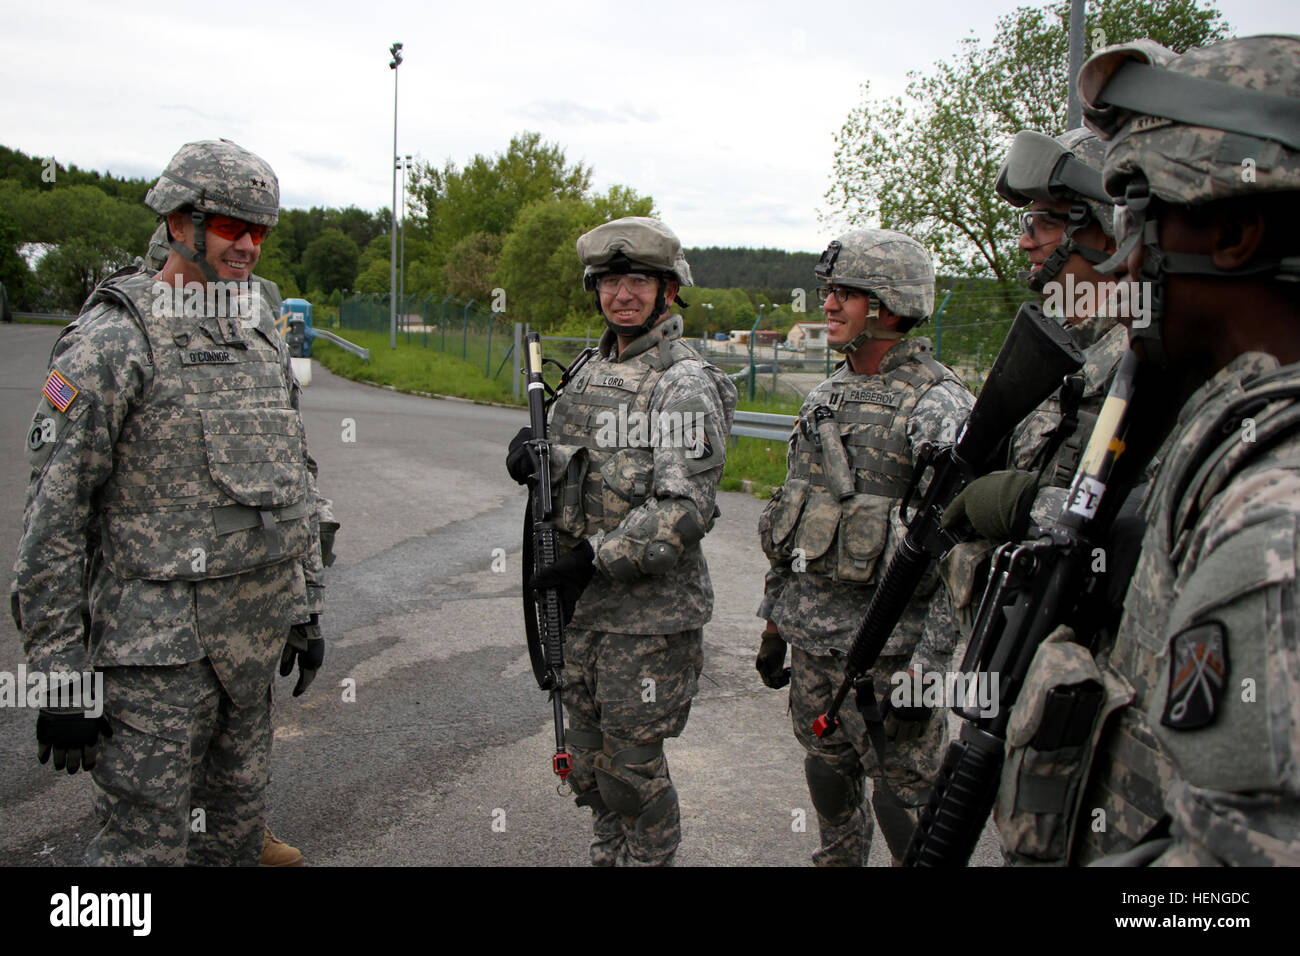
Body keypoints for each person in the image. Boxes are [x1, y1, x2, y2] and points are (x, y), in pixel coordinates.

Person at [992, 34, 1300, 866]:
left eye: (1145, 221)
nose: (1123, 260)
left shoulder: (1277, 508)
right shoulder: (1231, 425)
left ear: (1234, 232)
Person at [12, 139, 325, 866]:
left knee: (236, 842)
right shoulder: (115, 338)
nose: (248, 245)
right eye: (231, 228)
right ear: (181, 221)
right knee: (142, 854)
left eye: (260, 231)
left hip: (248, 646)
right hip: (156, 658)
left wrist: (305, 605)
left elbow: (294, 472)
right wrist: (61, 674)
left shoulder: (256, 328)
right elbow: (54, 518)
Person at [505, 217, 736, 866]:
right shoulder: (592, 369)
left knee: (632, 776)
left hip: (648, 623)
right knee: (590, 771)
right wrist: (532, 457)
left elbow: (683, 510)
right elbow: (574, 468)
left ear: (670, 291)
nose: (623, 294)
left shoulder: (684, 382)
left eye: (639, 280)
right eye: (610, 281)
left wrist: (592, 558)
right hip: (584, 615)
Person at [756, 229, 974, 865]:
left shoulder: (938, 407)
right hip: (816, 647)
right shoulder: (824, 399)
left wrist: (929, 671)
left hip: (890, 657)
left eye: (846, 294)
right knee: (827, 777)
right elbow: (790, 520)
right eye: (829, 292)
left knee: (908, 805)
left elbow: (959, 555)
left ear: (889, 304)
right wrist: (773, 625)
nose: (828, 305)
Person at [940, 127, 1132, 635]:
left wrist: (1026, 507)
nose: (1025, 241)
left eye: (1044, 222)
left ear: (1111, 230)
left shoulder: (1146, 361)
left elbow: (1145, 534)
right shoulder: (1060, 349)